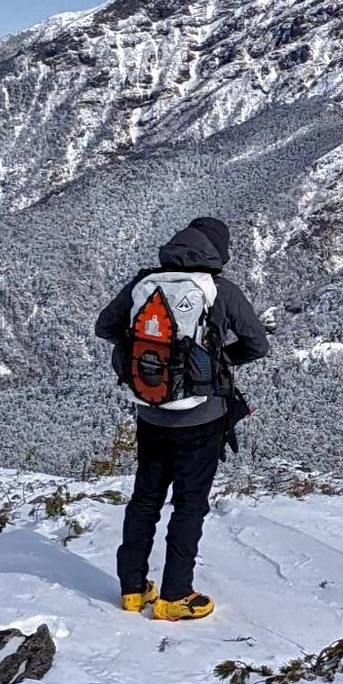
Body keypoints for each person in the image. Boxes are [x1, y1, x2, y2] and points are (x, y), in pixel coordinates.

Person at [95, 217, 269, 620]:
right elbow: (257, 345)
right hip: (201, 417)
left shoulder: (145, 284)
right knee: (189, 504)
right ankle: (176, 595)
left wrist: (151, 354)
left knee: (145, 499)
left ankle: (133, 590)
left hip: (151, 412)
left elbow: (106, 327)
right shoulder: (220, 290)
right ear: (217, 252)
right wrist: (212, 363)